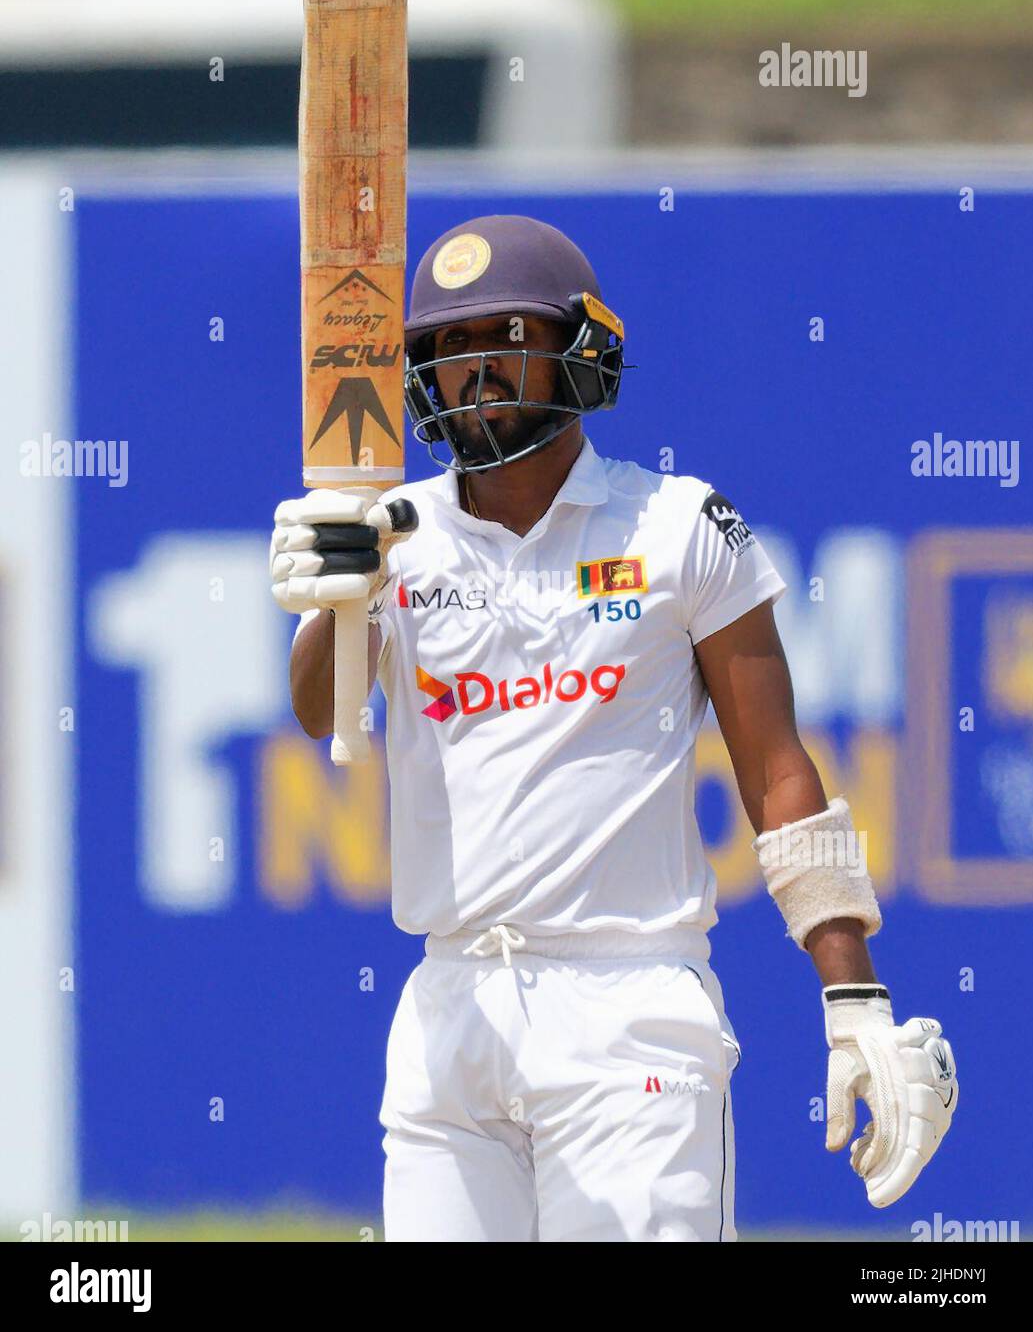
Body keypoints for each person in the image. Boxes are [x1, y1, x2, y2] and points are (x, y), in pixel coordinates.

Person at [271, 214, 957, 1242]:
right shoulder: (390, 535)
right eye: (449, 350)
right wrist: (334, 598)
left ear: (578, 347)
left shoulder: (678, 526)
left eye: (503, 336)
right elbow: (324, 715)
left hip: (630, 1006)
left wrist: (852, 996)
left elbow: (777, 771)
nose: (475, 372)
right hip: (449, 1005)